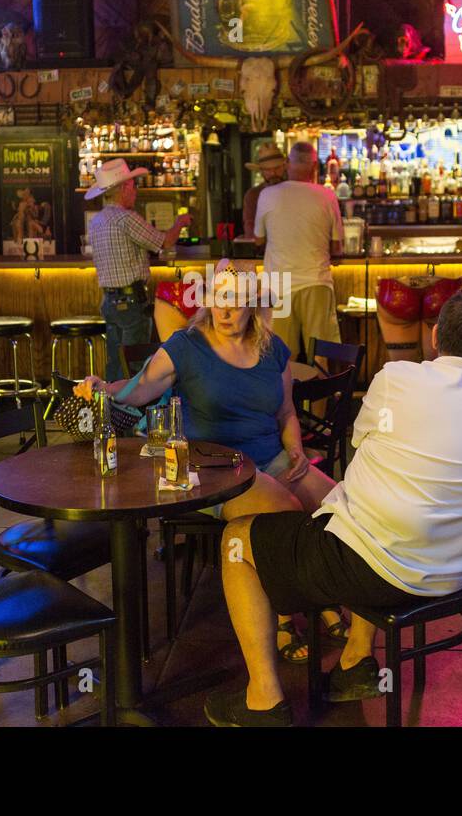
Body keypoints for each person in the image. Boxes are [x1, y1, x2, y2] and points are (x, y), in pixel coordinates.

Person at [203, 290, 462, 726]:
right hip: (453, 576)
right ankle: (355, 661)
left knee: (237, 540)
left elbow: (360, 441)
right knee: (372, 512)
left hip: (374, 570)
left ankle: (262, 700)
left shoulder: (397, 379)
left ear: (435, 337)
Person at [77, 262, 343, 662]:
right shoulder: (187, 346)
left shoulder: (272, 349)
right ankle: (289, 615)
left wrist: (296, 451)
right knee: (284, 511)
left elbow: (286, 411)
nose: (226, 310)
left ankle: (321, 593)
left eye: (235, 300)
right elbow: (139, 389)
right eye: (219, 298)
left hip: (270, 458)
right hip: (213, 467)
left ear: (253, 303)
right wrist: (102, 388)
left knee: (341, 506)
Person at [86, 158, 192, 381]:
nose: (135, 192)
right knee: (136, 364)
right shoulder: (126, 218)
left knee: (116, 362)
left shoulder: (97, 221)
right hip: (131, 302)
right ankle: (134, 413)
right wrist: (180, 222)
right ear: (123, 188)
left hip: (109, 301)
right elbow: (164, 242)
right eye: (133, 186)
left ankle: (112, 411)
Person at [254, 141, 343, 361]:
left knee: (280, 358)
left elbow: (258, 239)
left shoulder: (267, 195)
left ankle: (285, 397)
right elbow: (337, 246)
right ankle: (320, 396)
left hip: (278, 285)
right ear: (315, 167)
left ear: (287, 164)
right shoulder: (327, 196)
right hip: (316, 281)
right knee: (319, 357)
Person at [241, 142, 287, 239]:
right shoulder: (253, 195)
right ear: (261, 171)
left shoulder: (293, 191)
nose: (273, 173)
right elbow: (250, 228)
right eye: (267, 169)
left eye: (277, 168)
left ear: (284, 167)